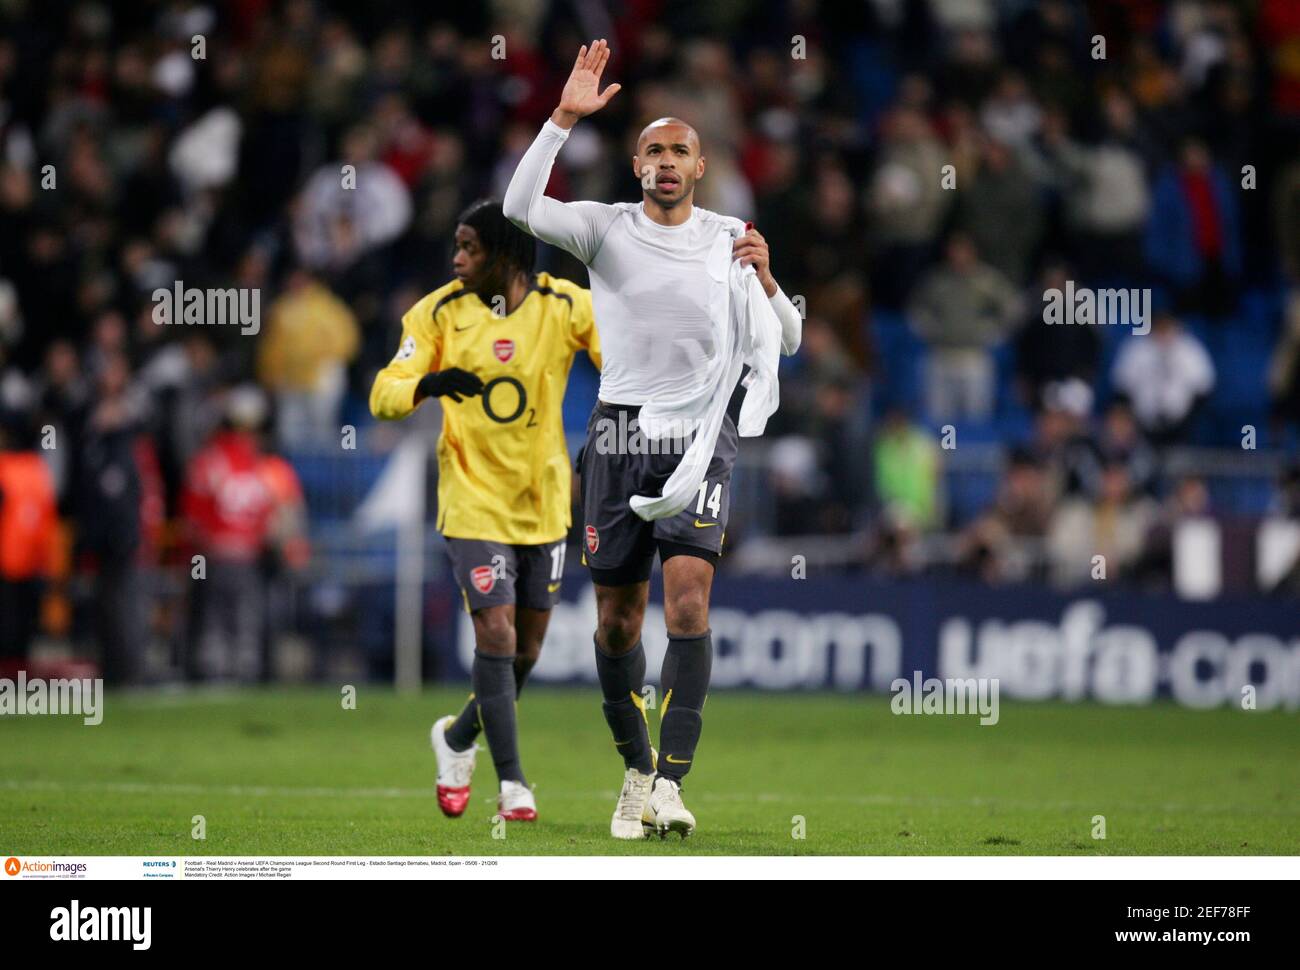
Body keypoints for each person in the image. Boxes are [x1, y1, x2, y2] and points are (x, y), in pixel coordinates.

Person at [503, 40, 802, 839]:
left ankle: (671, 782)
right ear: (637, 165)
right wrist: (563, 118)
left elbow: (792, 336)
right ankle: (635, 769)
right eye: (654, 151)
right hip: (617, 432)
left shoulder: (730, 236)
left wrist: (771, 283)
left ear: (700, 167)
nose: (667, 163)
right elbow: (519, 208)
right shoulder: (605, 231)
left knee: (690, 603)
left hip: (699, 437)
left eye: (680, 152)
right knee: (617, 625)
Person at [369, 199, 601, 824]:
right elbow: (382, 394)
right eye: (457, 246)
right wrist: (427, 385)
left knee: (524, 652)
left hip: (544, 503)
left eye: (470, 248)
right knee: (494, 633)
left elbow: (624, 358)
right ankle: (514, 784)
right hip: (472, 501)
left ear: (506, 255)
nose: (457, 259)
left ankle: (455, 737)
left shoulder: (563, 306)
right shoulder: (439, 313)